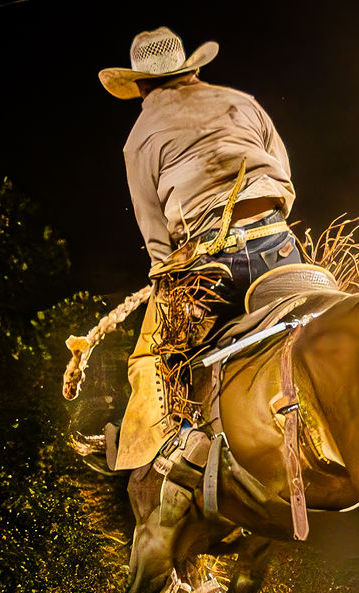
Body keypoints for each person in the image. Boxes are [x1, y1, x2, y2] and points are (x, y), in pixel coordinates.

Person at [101, 27, 302, 471]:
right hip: (282, 249)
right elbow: (284, 176)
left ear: (141, 85)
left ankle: (171, 457)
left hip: (215, 268)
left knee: (154, 357)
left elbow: (155, 238)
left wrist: (166, 275)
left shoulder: (139, 137)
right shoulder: (243, 101)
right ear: (191, 70)